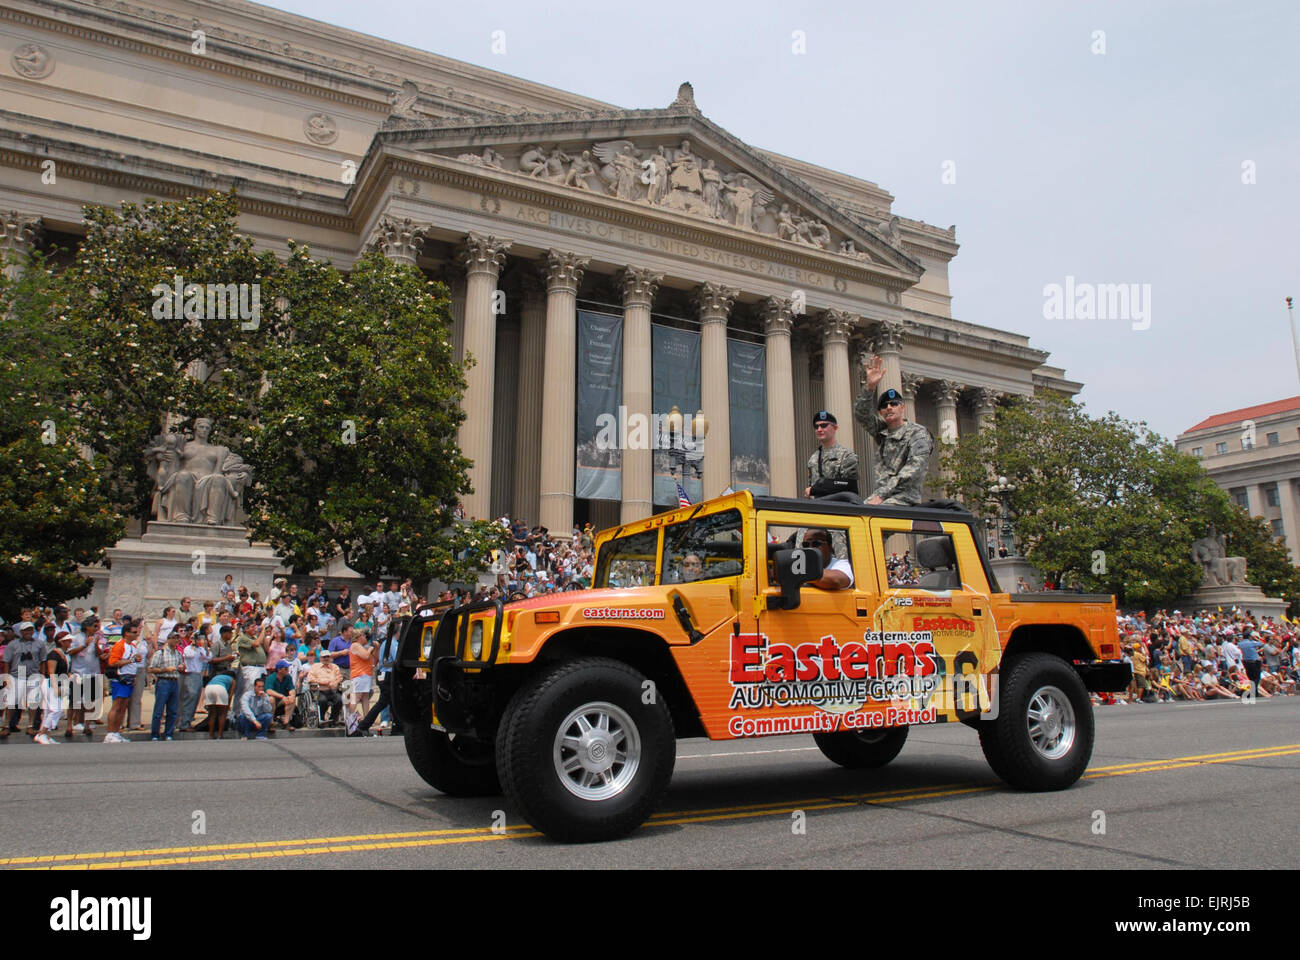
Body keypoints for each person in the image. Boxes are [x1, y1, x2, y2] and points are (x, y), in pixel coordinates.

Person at [855, 354, 934, 505]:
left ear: (902, 407)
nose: (889, 407)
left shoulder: (918, 434)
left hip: (905, 498)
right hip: (884, 497)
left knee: (869, 517)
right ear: (880, 412)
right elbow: (861, 413)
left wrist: (881, 495)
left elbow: (912, 471)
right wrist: (870, 387)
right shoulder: (883, 432)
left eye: (894, 404)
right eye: (884, 406)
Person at [105, 622, 145, 743]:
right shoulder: (120, 645)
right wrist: (130, 660)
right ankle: (110, 733)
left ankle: (116, 732)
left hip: (129, 678)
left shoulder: (132, 646)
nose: (136, 634)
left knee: (123, 707)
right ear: (126, 633)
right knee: (116, 706)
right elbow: (112, 662)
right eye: (134, 632)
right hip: (120, 678)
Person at [804, 411, 859, 499]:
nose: (819, 429)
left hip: (839, 506)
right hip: (817, 506)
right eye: (816, 426)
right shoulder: (813, 459)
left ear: (835, 428)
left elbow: (849, 485)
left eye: (824, 425)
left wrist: (817, 488)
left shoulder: (847, 455)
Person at [34, 631, 72, 745]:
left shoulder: (65, 654)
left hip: (58, 684)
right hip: (50, 683)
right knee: (57, 710)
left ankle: (46, 735)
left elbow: (64, 671)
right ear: (61, 642)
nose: (70, 642)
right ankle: (42, 733)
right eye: (68, 641)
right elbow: (51, 672)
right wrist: (55, 688)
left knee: (48, 711)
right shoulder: (53, 655)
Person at [147, 629, 183, 740]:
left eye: (178, 638)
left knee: (172, 710)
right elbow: (151, 669)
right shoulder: (160, 653)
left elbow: (180, 666)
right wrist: (165, 669)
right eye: (174, 638)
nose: (176, 640)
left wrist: (181, 667)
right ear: (169, 640)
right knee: (159, 709)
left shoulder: (178, 654)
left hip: (174, 681)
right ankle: (155, 734)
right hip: (163, 681)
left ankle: (169, 733)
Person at [177, 624, 209, 732]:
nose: (201, 641)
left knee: (195, 699)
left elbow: (207, 658)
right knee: (189, 698)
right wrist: (194, 646)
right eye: (200, 639)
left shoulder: (201, 649)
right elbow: (188, 655)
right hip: (190, 674)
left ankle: (188, 721)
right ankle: (183, 723)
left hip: (198, 674)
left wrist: (204, 648)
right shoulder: (188, 648)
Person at [346, 629, 378, 735]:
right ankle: (350, 719)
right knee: (356, 697)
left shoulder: (363, 647)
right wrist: (369, 650)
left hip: (366, 674)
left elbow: (375, 659)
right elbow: (365, 656)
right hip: (358, 675)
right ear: (360, 636)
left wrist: (375, 648)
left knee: (365, 698)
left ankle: (366, 720)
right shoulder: (355, 645)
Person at [305, 655, 344, 725]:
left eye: (328, 657)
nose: (326, 658)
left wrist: (335, 682)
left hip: (333, 690)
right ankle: (322, 718)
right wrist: (323, 682)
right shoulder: (315, 667)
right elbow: (310, 679)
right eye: (324, 657)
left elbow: (340, 677)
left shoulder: (335, 667)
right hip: (320, 690)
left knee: (339, 700)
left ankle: (333, 718)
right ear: (320, 658)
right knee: (322, 700)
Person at [264, 660, 297, 730]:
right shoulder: (271, 678)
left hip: (282, 701)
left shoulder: (288, 677)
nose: (288, 670)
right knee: (271, 699)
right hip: (274, 700)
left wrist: (292, 695)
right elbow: (269, 691)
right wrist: (282, 696)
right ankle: (270, 722)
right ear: (279, 670)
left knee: (292, 699)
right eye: (285, 668)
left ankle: (286, 722)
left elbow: (291, 689)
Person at [202, 671, 235, 739]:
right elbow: (230, 695)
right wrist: (227, 707)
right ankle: (220, 735)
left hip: (208, 688)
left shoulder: (217, 677)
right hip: (220, 688)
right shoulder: (232, 680)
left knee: (212, 714)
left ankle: (211, 735)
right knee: (222, 714)